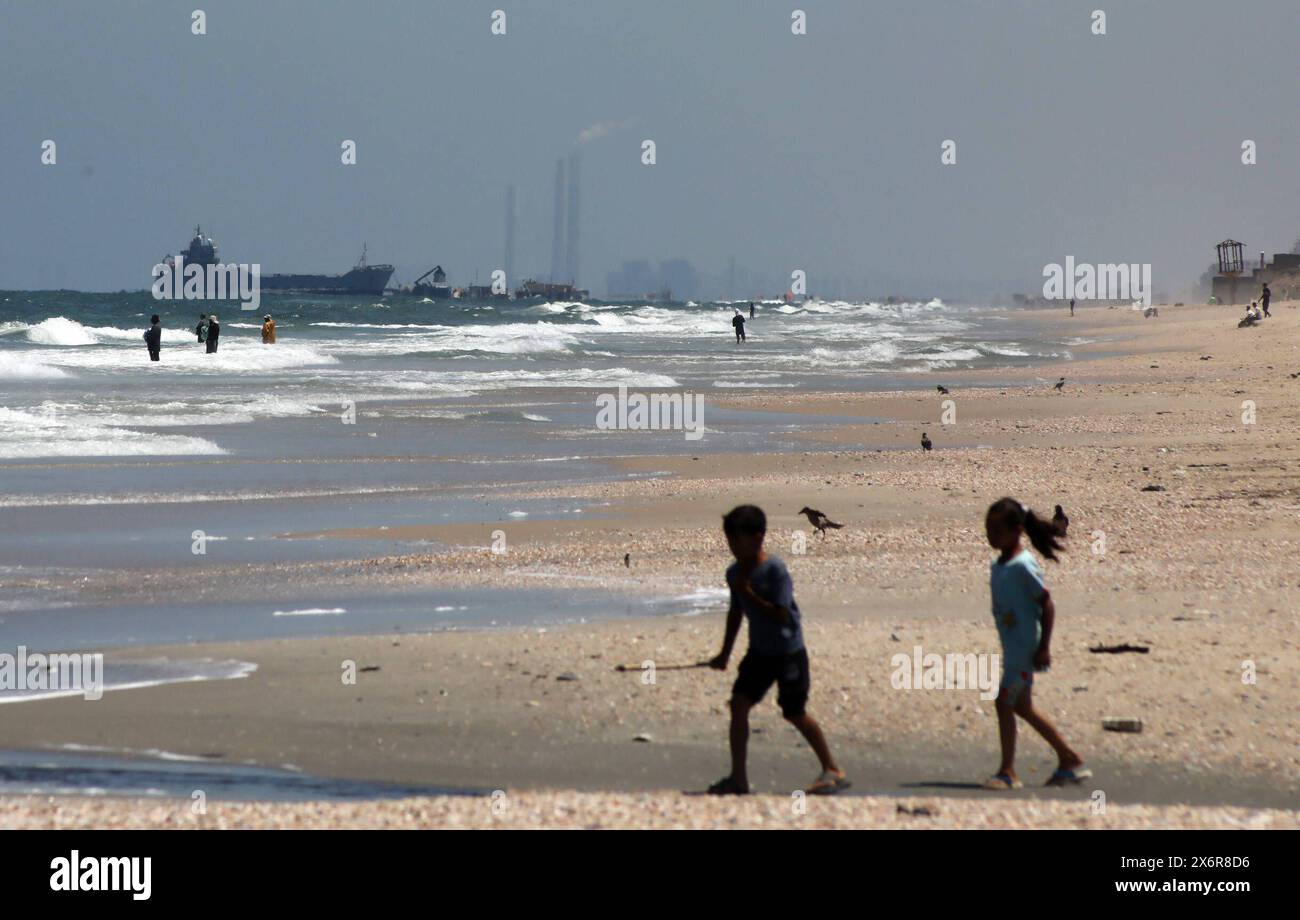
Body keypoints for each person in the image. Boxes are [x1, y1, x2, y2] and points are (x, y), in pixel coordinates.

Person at [706, 505, 849, 795]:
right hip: (758, 651)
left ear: (758, 538)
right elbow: (736, 613)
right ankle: (738, 779)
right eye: (729, 541)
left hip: (787, 652)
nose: (732, 547)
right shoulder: (734, 573)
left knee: (794, 712)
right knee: (739, 704)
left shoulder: (775, 570)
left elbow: (783, 614)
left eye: (736, 541)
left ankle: (832, 768)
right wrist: (724, 652)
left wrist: (750, 594)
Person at [982, 498, 1089, 790]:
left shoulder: (1023, 566)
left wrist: (1044, 647)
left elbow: (1047, 604)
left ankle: (1007, 771)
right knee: (1022, 706)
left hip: (1025, 648)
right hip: (1012, 646)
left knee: (1005, 701)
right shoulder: (999, 564)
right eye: (987, 529)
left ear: (1017, 530)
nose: (990, 535)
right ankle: (1068, 758)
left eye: (996, 529)